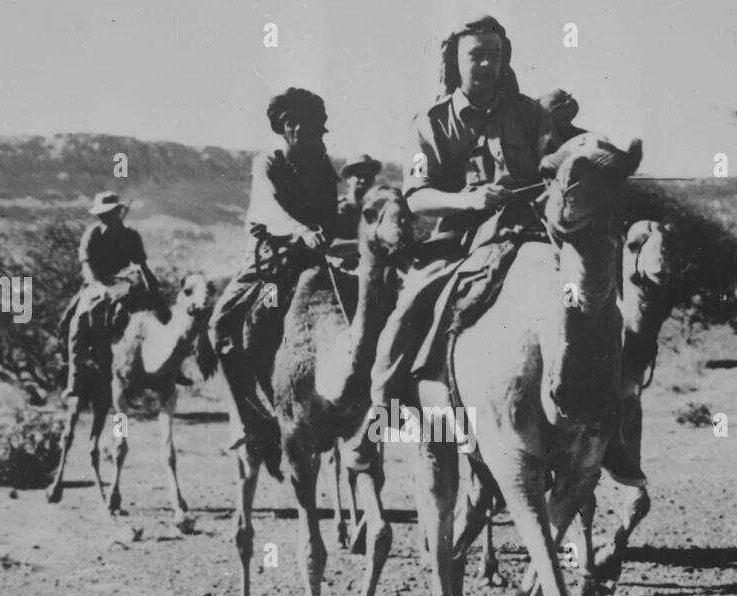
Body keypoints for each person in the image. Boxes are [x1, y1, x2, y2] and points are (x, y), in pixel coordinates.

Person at [368, 14, 557, 412]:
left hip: (533, 230)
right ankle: (387, 413)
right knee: (409, 311)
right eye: (476, 56)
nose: (487, 64)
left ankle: (610, 429)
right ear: (454, 61)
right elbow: (417, 197)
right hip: (460, 241)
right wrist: (467, 201)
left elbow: (554, 167)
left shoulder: (530, 114)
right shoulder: (431, 124)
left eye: (496, 55)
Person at [208, 87, 351, 455]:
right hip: (270, 265)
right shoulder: (267, 162)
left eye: (312, 124)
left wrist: (329, 233)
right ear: (283, 127)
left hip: (312, 262)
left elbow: (331, 216)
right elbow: (269, 208)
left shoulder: (322, 165)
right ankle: (248, 416)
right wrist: (302, 232)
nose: (304, 130)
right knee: (224, 326)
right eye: (295, 123)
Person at [60, 191, 171, 403]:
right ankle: (74, 380)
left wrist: (152, 288)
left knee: (162, 315)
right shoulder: (92, 234)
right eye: (101, 214)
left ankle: (173, 368)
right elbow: (86, 265)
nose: (105, 217)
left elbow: (140, 264)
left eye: (109, 213)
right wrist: (97, 285)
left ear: (119, 212)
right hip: (97, 285)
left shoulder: (131, 236)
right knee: (74, 321)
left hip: (124, 282)